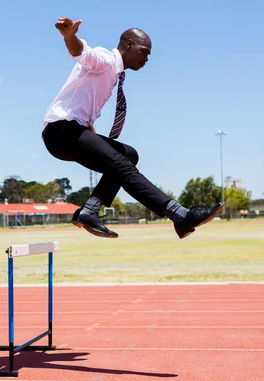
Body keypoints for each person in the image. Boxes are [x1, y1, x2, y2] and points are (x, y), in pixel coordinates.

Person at [41, 17, 224, 239]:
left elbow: (85, 114)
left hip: (73, 132)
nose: (146, 58)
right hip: (61, 131)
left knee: (128, 155)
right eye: (144, 51)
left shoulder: (112, 76)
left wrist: (97, 143)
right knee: (121, 163)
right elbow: (82, 52)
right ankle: (180, 214)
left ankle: (89, 211)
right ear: (128, 44)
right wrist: (70, 36)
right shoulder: (106, 60)